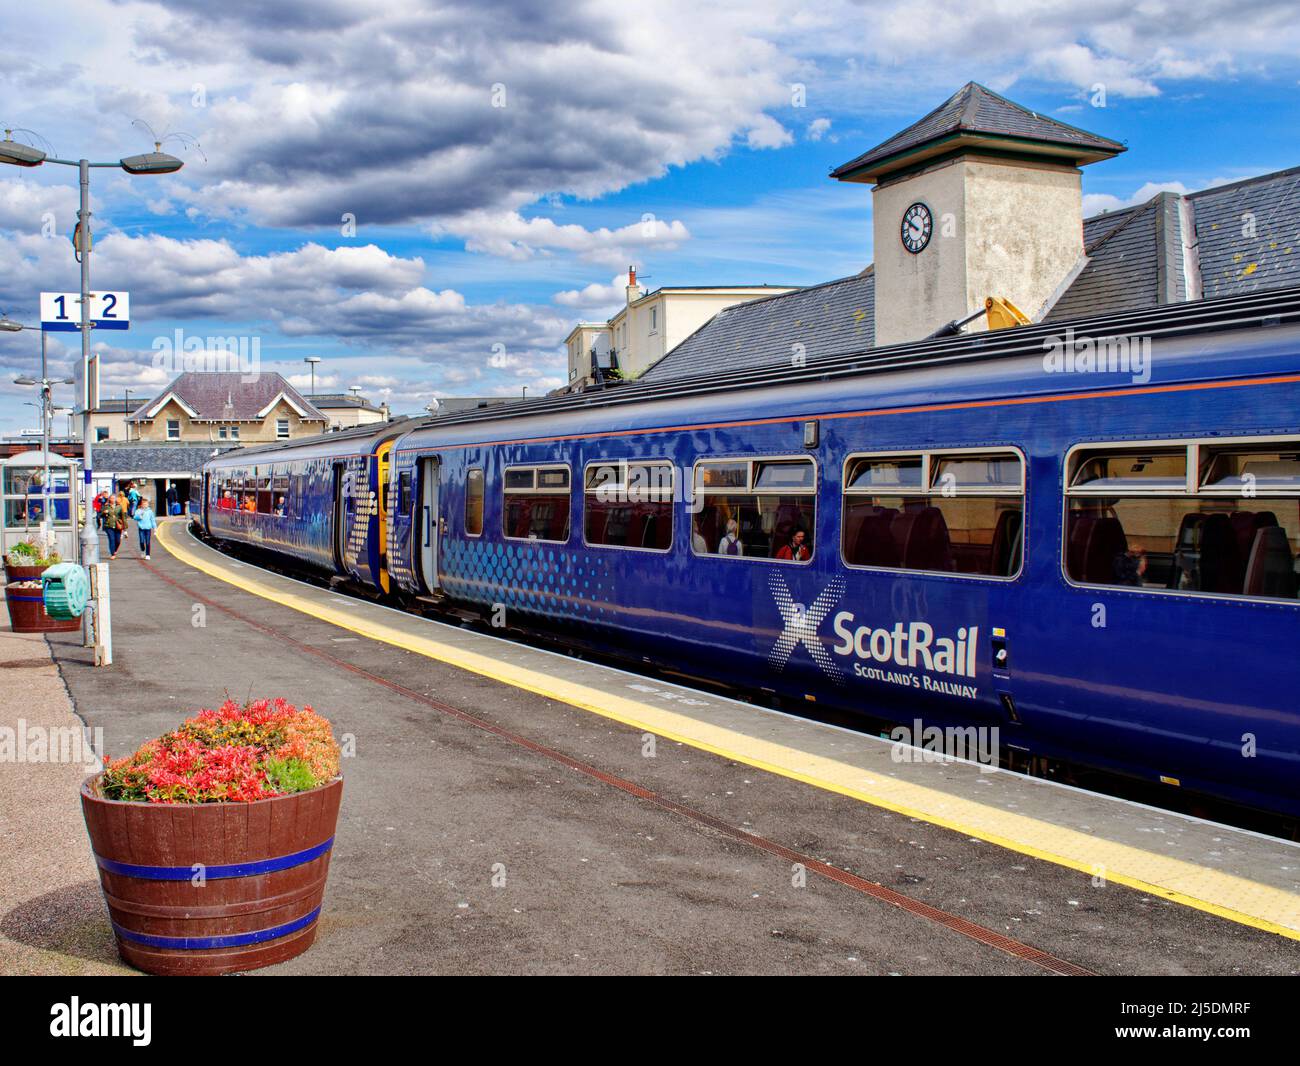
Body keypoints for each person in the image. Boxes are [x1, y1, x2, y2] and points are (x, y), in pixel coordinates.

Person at [101, 492, 127, 560]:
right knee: (111, 539)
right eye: (111, 498)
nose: (112, 499)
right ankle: (112, 554)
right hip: (108, 525)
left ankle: (115, 550)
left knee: (118, 540)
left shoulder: (119, 507)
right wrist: (103, 513)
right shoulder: (106, 506)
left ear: (115, 499)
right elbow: (100, 515)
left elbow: (123, 517)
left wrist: (125, 528)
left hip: (117, 525)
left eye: (114, 498)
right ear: (109, 499)